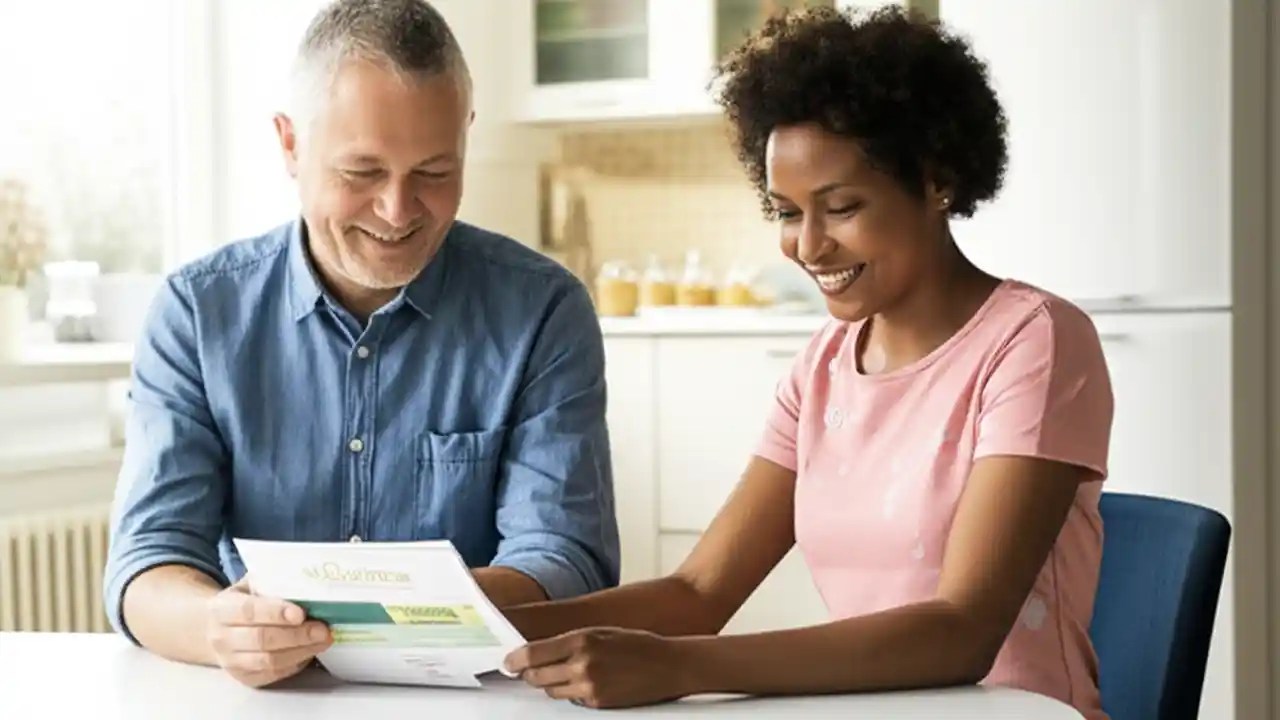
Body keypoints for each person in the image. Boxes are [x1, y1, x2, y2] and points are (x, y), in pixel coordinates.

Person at [501, 7, 1114, 719]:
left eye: (842, 206)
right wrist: (466, 632)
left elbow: (962, 632)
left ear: (936, 178)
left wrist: (678, 664)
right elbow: (698, 593)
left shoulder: (1035, 342)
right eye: (787, 212)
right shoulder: (823, 368)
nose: (808, 246)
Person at [103, 0, 619, 689]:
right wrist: (219, 629)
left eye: (435, 173)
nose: (398, 211)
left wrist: (374, 613)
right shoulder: (196, 313)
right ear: (290, 144)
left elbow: (567, 559)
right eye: (362, 173)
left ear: (465, 137)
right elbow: (147, 561)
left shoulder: (544, 310)